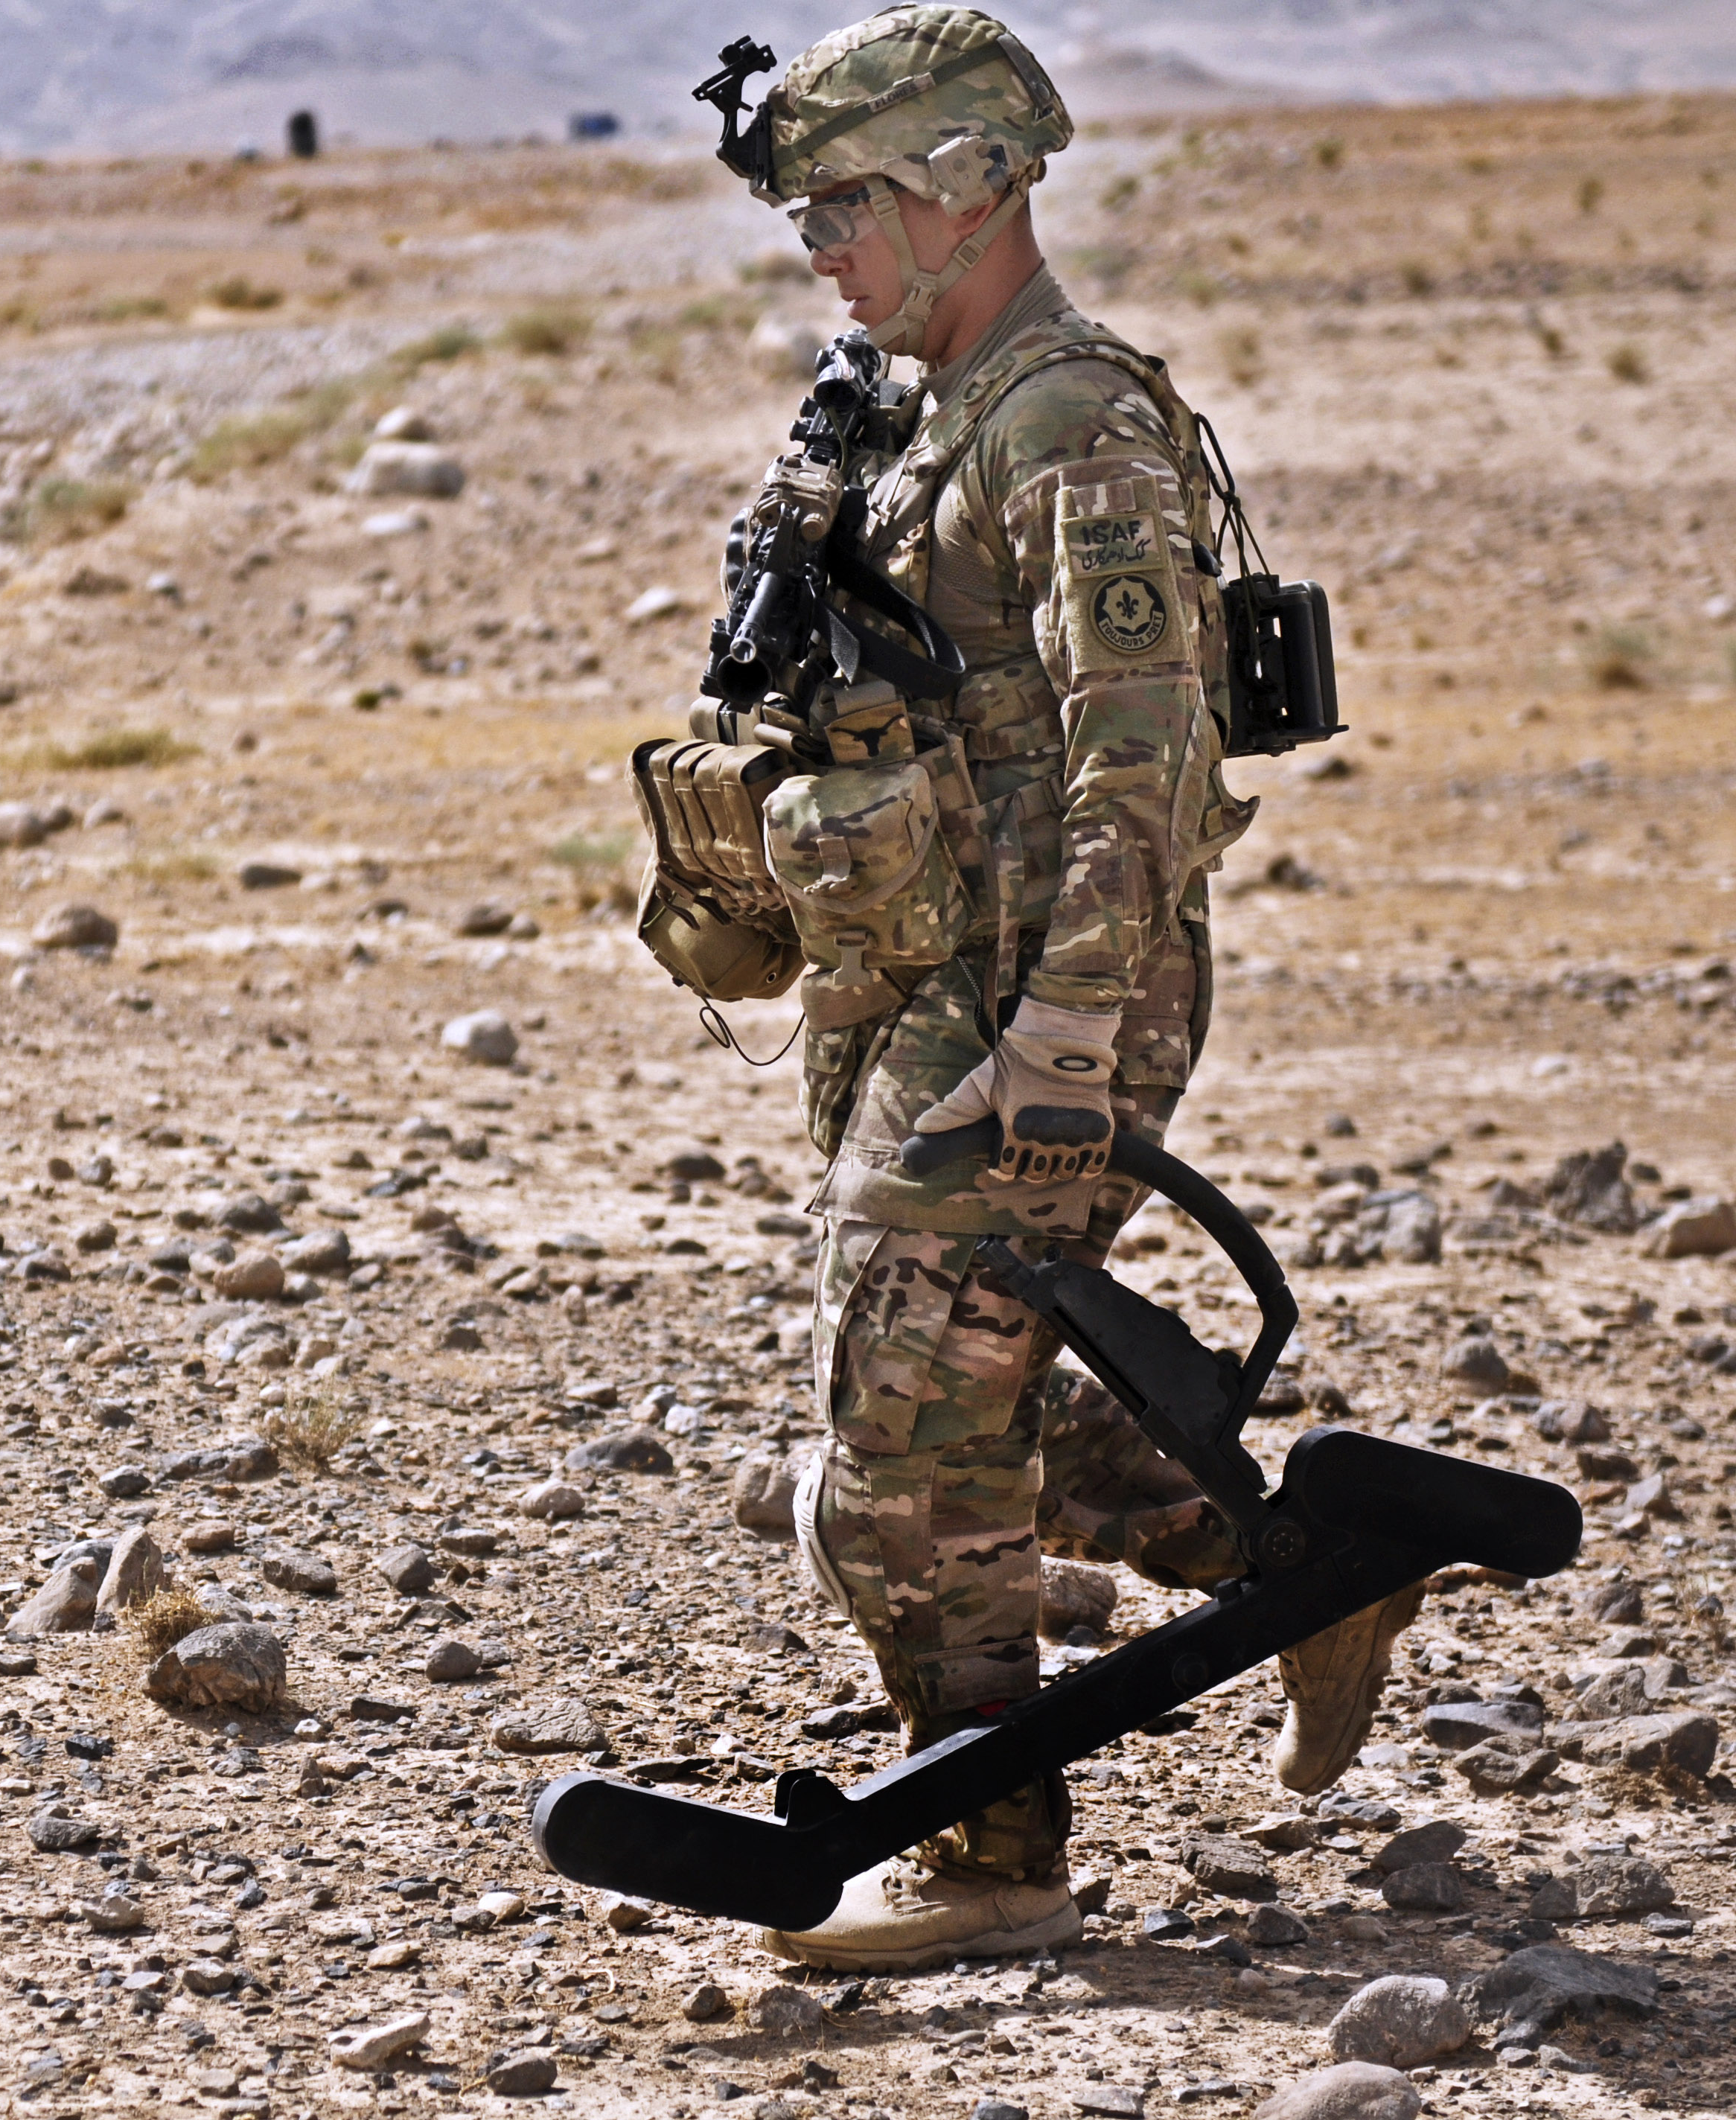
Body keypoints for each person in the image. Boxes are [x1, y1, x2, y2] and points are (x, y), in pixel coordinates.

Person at [691, 5, 1420, 1969]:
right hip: (916, 976)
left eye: (846, 203)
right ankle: (1295, 1569)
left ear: (965, 190)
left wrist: (1062, 1040)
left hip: (1052, 986)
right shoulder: (901, 410)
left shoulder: (1072, 420)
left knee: (883, 1464)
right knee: (945, 1401)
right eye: (808, 211)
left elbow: (1145, 768)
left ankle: (992, 1862)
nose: (819, 246)